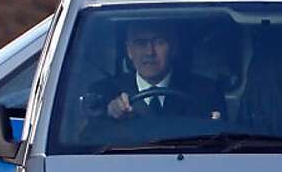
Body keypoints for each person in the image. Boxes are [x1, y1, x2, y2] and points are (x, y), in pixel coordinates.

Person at [90, 21, 224, 121]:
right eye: (141, 43)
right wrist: (111, 113)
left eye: (159, 42)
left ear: (174, 47)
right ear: (129, 50)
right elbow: (90, 137)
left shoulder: (206, 92)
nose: (150, 52)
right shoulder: (105, 92)